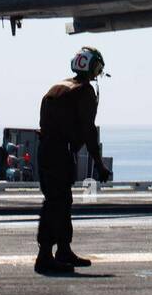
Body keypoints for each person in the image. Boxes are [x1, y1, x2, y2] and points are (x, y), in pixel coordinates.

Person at [34, 46, 111, 274]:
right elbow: (88, 130)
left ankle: (64, 249)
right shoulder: (84, 91)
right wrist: (99, 164)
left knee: (61, 201)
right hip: (60, 153)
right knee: (56, 202)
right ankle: (45, 255)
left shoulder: (57, 87)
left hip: (46, 150)